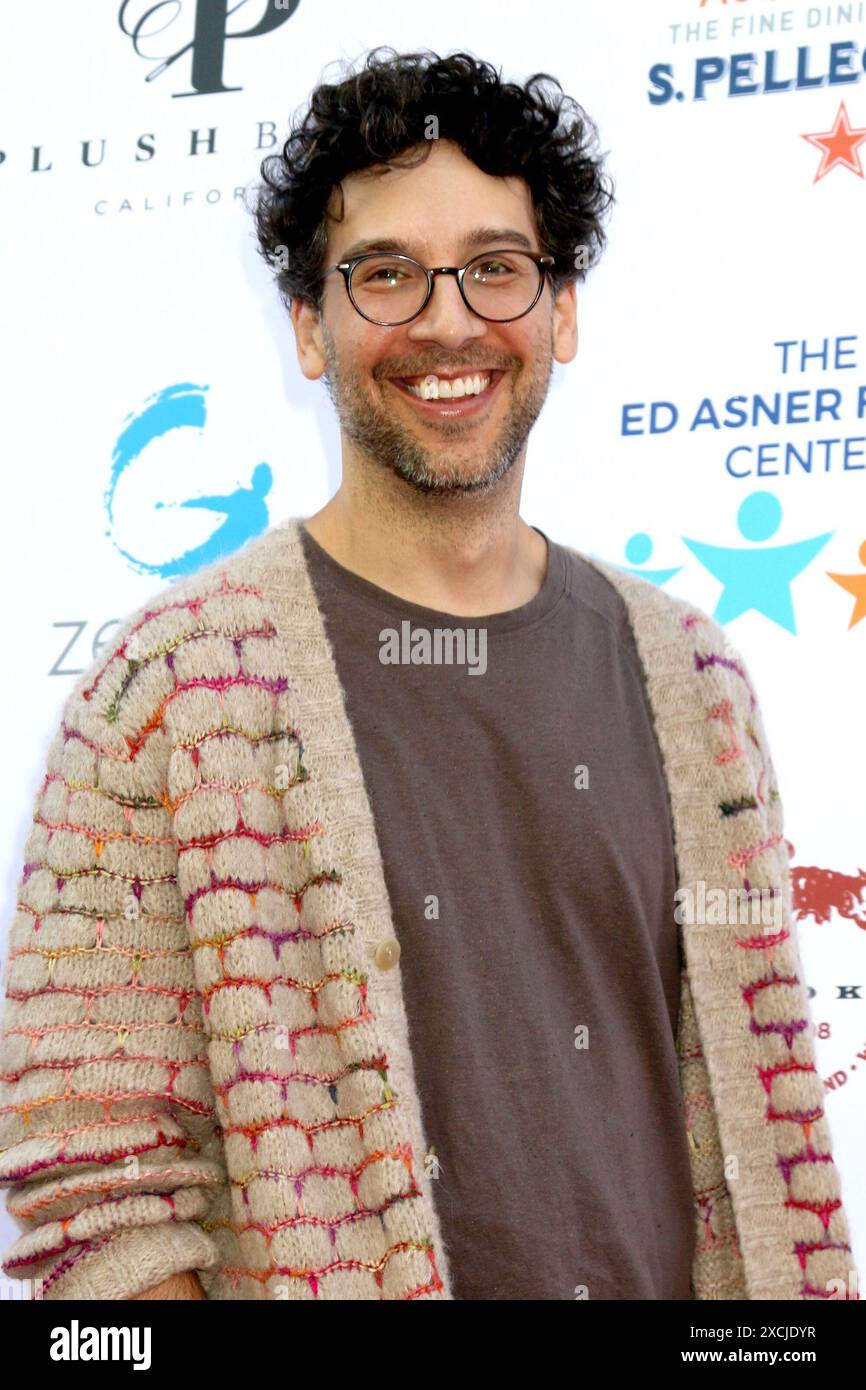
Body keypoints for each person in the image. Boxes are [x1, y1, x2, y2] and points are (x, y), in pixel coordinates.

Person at [0, 48, 857, 1301]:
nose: (448, 320)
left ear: (561, 309)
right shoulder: (165, 695)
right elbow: (96, 1189)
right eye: (385, 274)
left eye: (495, 268)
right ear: (308, 325)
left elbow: (766, 1116)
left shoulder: (694, 679)